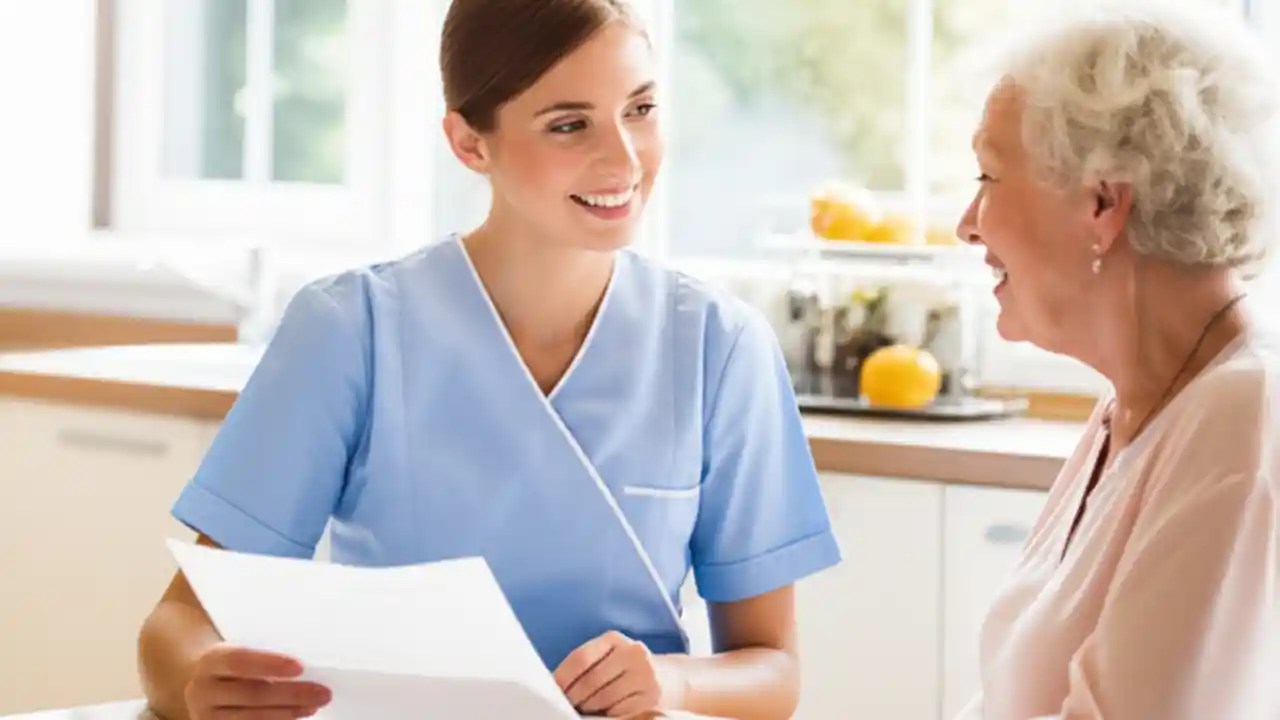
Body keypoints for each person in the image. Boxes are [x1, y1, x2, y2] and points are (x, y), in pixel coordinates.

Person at [136, 1, 841, 718]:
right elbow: (176, 626)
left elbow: (772, 670)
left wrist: (674, 681)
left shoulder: (720, 346)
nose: (624, 158)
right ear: (470, 144)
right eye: (569, 124)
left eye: (642, 108)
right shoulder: (350, 329)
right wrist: (201, 681)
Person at [954, 2, 1280, 718]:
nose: (966, 224)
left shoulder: (1241, 419)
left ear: (1102, 202)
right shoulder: (1138, 403)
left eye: (987, 178)